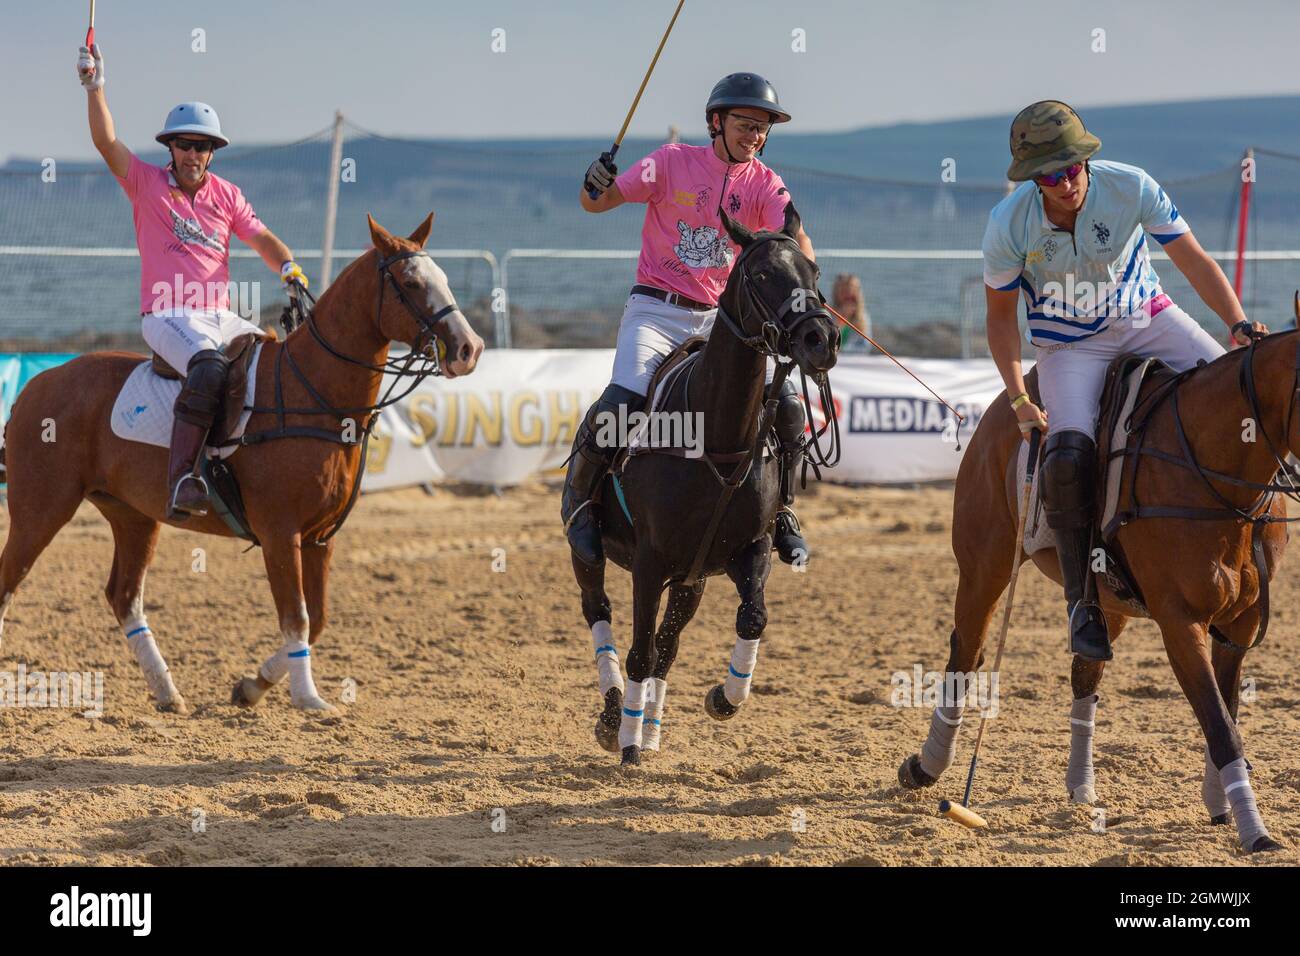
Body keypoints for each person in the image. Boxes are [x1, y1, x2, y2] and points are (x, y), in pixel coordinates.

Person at [982, 100, 1268, 661]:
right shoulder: (1008, 224)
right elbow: (999, 321)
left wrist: (1236, 323)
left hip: (1148, 318)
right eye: (1050, 177)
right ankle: (1083, 601)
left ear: (1087, 160)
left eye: (1072, 169)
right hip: (1068, 346)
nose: (1065, 184)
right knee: (1068, 454)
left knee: (1241, 400)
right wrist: (1018, 399)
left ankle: (1258, 552)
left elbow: (1193, 260)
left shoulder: (1132, 185)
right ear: (1032, 179)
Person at [562, 72, 815, 567]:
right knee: (624, 401)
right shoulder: (669, 162)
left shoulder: (766, 183)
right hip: (657, 311)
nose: (755, 136)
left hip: (723, 323)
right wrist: (593, 184)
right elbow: (597, 203)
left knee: (787, 406)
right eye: (745, 125)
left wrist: (804, 284)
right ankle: (580, 502)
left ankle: (783, 509)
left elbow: (795, 237)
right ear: (716, 122)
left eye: (762, 128)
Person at [77, 43, 307, 519]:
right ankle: (183, 478)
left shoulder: (228, 196)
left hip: (219, 314)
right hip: (166, 314)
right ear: (171, 148)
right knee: (208, 368)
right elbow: (106, 142)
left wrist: (289, 268)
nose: (192, 153)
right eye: (184, 144)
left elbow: (262, 239)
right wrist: (95, 86)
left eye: (201, 146)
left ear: (212, 152)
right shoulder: (144, 183)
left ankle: (258, 464)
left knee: (270, 360)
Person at [831, 273, 869, 350]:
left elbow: (865, 346)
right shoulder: (829, 314)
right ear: (837, 293)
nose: (848, 295)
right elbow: (830, 343)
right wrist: (840, 321)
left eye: (852, 291)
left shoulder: (862, 317)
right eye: (844, 291)